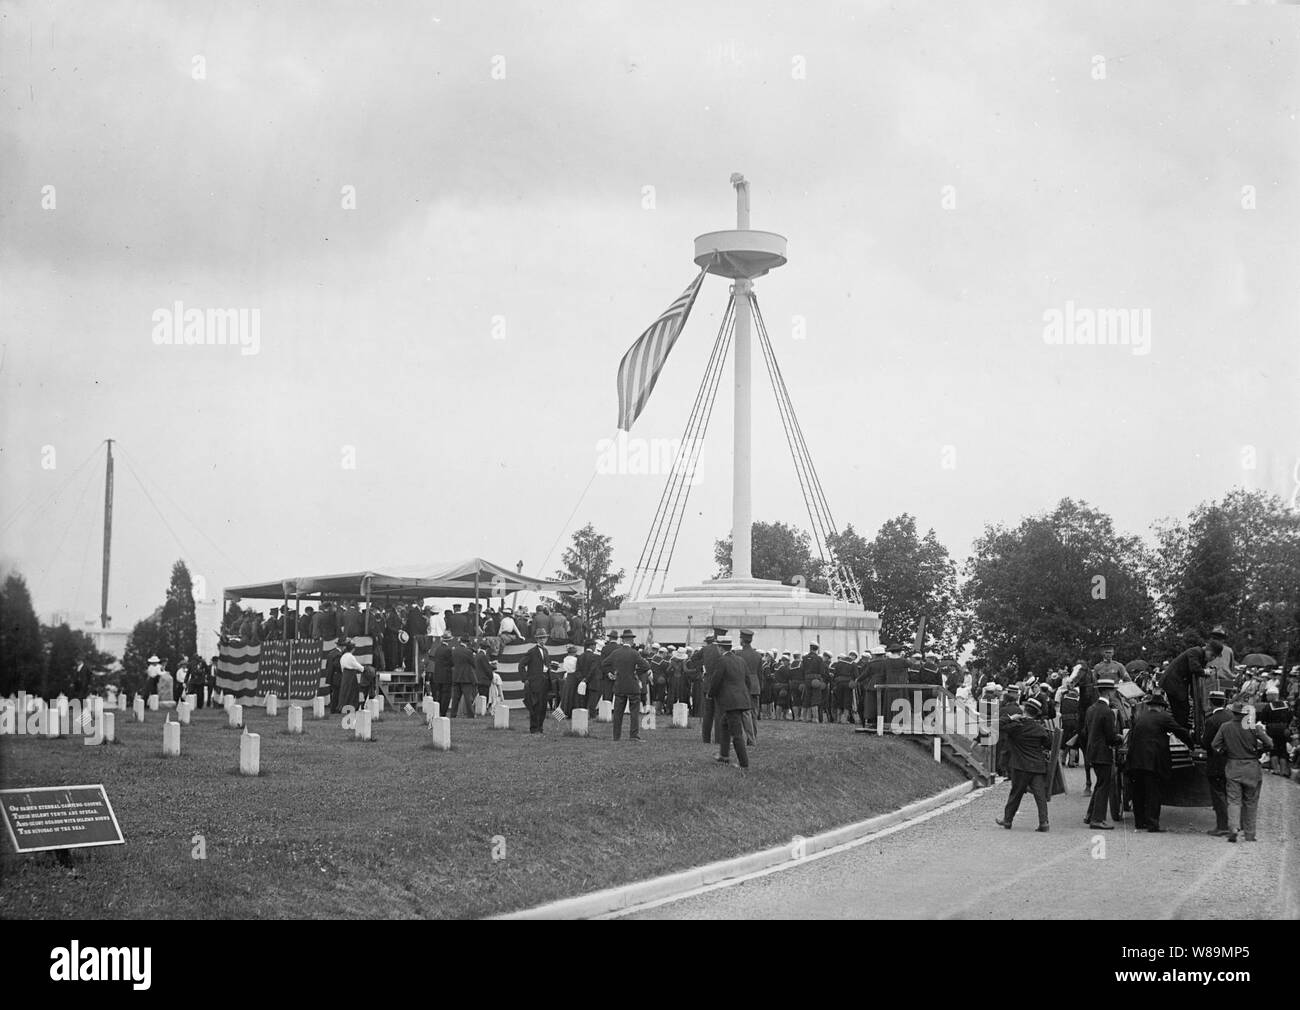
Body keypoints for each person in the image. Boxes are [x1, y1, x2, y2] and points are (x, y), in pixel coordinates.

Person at [1126, 692, 1194, 832]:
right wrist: (1192, 745)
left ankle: (1139, 822)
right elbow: (1180, 732)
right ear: (1161, 707)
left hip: (1135, 761)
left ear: (1150, 706)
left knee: (1139, 792)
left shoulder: (1140, 717)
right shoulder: (1164, 717)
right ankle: (1152, 824)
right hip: (1152, 761)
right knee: (1153, 792)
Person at [1212, 703, 1273, 842]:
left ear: (1233, 713)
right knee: (1251, 801)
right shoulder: (1253, 727)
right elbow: (1270, 743)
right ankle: (1250, 833)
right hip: (1252, 766)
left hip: (1233, 765)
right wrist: (1259, 751)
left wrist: (1225, 752)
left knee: (1233, 800)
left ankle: (1233, 828)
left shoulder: (1225, 727)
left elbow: (1215, 745)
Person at [995, 695, 1053, 831]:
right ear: (1036, 713)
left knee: (1016, 794)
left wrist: (1010, 718)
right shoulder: (1040, 729)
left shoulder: (1016, 726)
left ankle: (1007, 820)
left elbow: (996, 725)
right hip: (1037, 766)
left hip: (1020, 766)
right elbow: (1048, 744)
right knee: (1040, 796)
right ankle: (1044, 822)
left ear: (1024, 710)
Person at [1081, 677, 1122, 829]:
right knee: (1104, 785)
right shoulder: (1107, 712)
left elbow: (1085, 732)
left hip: (1092, 751)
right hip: (1103, 753)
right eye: (1113, 691)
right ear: (1108, 692)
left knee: (1100, 783)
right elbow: (1111, 737)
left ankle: (1090, 815)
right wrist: (1120, 738)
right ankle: (1097, 820)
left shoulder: (1091, 709)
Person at [709, 637, 751, 770]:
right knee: (724, 724)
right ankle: (724, 755)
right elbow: (748, 680)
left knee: (736, 734)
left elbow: (716, 680)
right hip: (741, 698)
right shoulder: (740, 660)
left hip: (730, 700)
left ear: (720, 648)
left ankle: (744, 764)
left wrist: (710, 694)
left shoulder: (722, 660)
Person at [603, 629, 650, 742]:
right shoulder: (634, 653)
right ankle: (633, 736)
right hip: (632, 686)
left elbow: (604, 663)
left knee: (618, 713)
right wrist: (636, 672)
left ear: (623, 640)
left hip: (619, 685)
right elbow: (646, 666)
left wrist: (612, 672)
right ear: (630, 640)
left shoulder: (616, 653)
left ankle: (616, 736)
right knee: (634, 713)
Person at [1201, 689, 1233, 836]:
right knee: (1230, 794)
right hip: (1232, 761)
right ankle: (1233, 825)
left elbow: (1205, 743)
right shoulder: (1232, 716)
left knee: (1218, 795)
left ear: (1210, 703)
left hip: (1216, 762)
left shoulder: (1211, 721)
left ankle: (1222, 826)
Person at [1161, 644, 1206, 728]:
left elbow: (1193, 676)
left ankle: (1181, 730)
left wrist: (1194, 695)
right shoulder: (1195, 651)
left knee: (1183, 710)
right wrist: (1205, 672)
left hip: (1177, 684)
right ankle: (1180, 732)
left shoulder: (1198, 655)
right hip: (1173, 683)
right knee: (1181, 711)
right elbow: (1195, 669)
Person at [517, 629, 551, 734]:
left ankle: (540, 727)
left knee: (543, 706)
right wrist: (525, 679)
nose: (542, 640)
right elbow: (521, 665)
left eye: (544, 638)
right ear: (537, 639)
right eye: (540, 638)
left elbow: (546, 666)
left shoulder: (545, 651)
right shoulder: (532, 651)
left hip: (545, 681)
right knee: (535, 706)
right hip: (535, 682)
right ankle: (534, 728)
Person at [699, 629, 725, 744]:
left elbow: (693, 659)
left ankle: (706, 738)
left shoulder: (705, 649)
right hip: (720, 684)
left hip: (707, 682)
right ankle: (719, 739)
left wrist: (703, 668)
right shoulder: (722, 650)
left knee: (707, 713)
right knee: (719, 713)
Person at [1260, 686, 1293, 777]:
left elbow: (1263, 719)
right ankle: (1283, 770)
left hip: (1272, 730)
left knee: (1273, 749)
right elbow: (1290, 717)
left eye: (1268, 696)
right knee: (1282, 749)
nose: (1267, 698)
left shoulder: (1268, 706)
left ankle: (1276, 770)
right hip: (1284, 730)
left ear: (1272, 695)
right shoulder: (1287, 704)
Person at [737, 629, 762, 744]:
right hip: (755, 686)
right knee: (753, 714)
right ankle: (754, 736)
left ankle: (749, 738)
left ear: (742, 640)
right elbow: (760, 674)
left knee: (744, 713)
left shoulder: (739, 655)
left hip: (744, 686)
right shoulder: (757, 655)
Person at [449, 636, 478, 717]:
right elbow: (474, 664)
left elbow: (452, 662)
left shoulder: (454, 651)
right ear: (467, 642)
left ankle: (453, 714)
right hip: (466, 677)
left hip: (456, 676)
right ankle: (471, 714)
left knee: (455, 698)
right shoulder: (468, 652)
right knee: (468, 698)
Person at [430, 634, 454, 714]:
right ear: (449, 641)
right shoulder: (448, 650)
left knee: (439, 694)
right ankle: (443, 712)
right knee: (446, 695)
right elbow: (451, 662)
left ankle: (438, 710)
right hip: (446, 676)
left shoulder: (438, 649)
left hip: (437, 675)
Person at [338, 641, 363, 713]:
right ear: (353, 649)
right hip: (351, 675)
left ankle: (342, 707)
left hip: (345, 675)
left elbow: (342, 667)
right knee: (352, 691)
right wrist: (363, 669)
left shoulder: (343, 656)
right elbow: (356, 665)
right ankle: (351, 707)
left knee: (344, 691)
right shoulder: (350, 657)